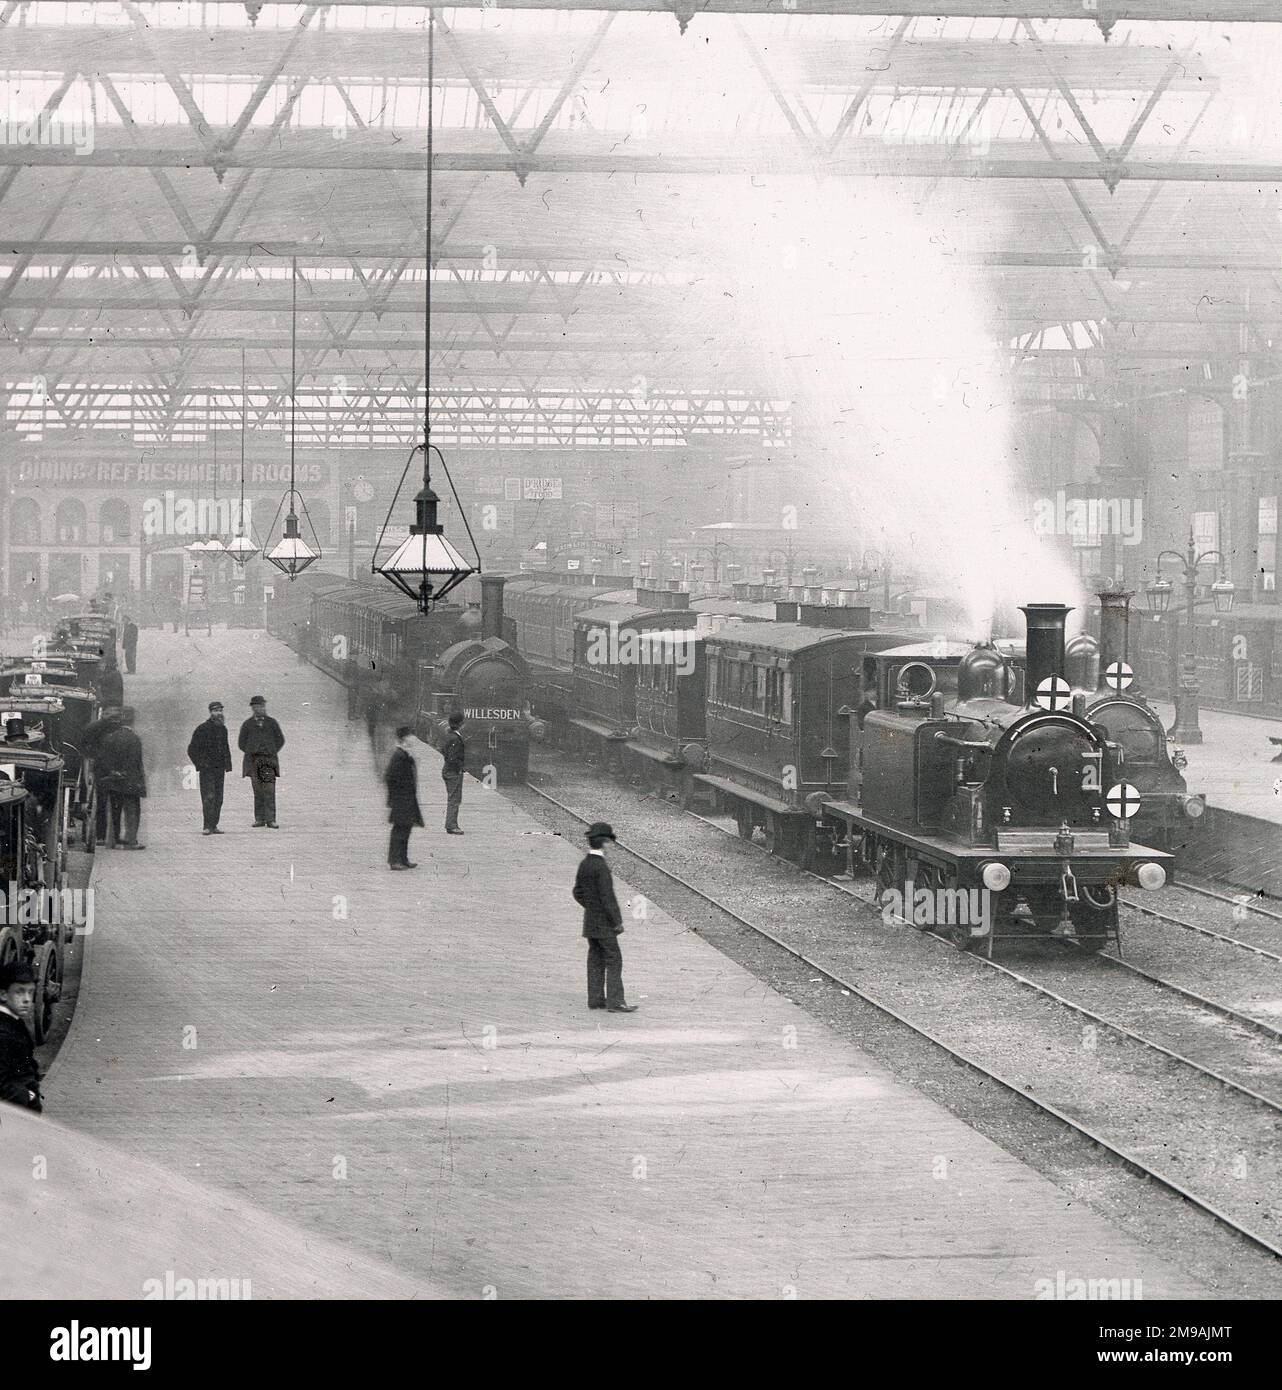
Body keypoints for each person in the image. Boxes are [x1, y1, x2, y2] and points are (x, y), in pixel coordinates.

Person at [572, 822, 637, 1013]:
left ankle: (596, 999)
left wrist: (591, 907)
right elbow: (608, 898)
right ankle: (616, 1001)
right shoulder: (601, 868)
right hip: (605, 925)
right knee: (614, 959)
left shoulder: (585, 864)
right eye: (610, 842)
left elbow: (577, 891)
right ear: (604, 843)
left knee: (595, 959)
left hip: (590, 923)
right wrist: (617, 921)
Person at [96, 706, 146, 849]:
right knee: (132, 812)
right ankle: (131, 841)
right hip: (130, 782)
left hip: (113, 781)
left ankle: (112, 841)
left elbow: (103, 759)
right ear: (132, 721)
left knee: (114, 811)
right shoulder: (134, 739)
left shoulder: (109, 738)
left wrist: (113, 772)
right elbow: (134, 761)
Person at [0, 962, 42, 1112]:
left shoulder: (14, 1021)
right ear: (3, 994)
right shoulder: (3, 1032)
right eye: (20, 992)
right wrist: (29, 1096)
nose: (27, 999)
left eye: (30, 992)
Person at [238, 695, 285, 829]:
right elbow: (241, 743)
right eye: (258, 706)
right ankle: (259, 819)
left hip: (268, 760)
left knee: (269, 789)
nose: (261, 708)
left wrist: (271, 750)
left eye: (262, 706)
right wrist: (252, 750)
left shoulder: (272, 723)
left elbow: (280, 740)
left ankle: (271, 819)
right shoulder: (247, 724)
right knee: (257, 790)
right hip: (253, 761)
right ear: (253, 708)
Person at [187, 701, 232, 835]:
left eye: (220, 710)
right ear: (210, 712)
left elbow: (226, 748)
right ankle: (207, 826)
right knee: (209, 797)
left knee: (219, 798)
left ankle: (214, 825)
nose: (219, 713)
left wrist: (228, 764)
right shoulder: (202, 728)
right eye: (216, 711)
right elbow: (191, 749)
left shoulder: (223, 729)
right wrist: (200, 764)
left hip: (219, 769)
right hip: (207, 770)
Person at [81, 705, 123, 843]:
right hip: (107, 769)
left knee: (104, 802)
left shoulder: (94, 727)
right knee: (109, 802)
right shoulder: (117, 728)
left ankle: (102, 836)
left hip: (104, 769)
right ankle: (110, 835)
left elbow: (85, 747)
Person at [384, 725, 422, 870]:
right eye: (411, 736)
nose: (413, 738)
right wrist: (395, 797)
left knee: (406, 828)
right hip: (401, 799)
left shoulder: (404, 754)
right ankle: (395, 861)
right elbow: (390, 777)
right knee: (399, 829)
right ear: (404, 738)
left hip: (406, 798)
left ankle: (403, 858)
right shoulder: (399, 755)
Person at [441, 711, 466, 835]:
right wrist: (460, 767)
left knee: (453, 798)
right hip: (453, 772)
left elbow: (443, 750)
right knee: (454, 799)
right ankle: (451, 825)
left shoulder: (448, 735)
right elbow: (453, 758)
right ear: (461, 723)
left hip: (447, 770)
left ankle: (451, 824)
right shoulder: (456, 738)